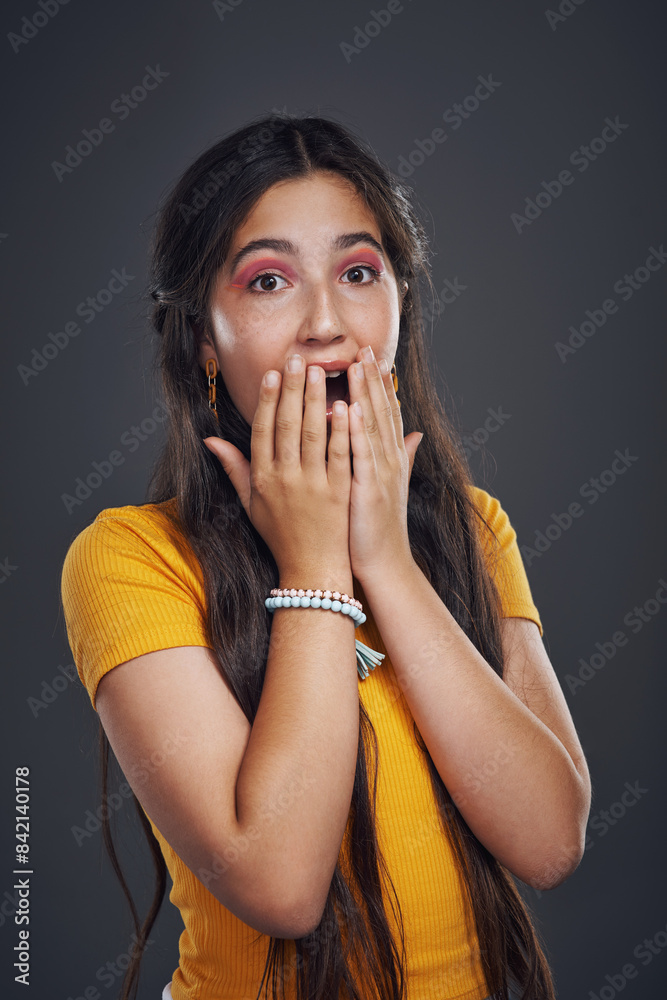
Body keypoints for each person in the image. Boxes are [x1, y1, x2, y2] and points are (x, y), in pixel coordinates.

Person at [60, 112, 591, 1000]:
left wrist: (384, 560)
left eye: (357, 273)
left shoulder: (474, 527)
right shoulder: (129, 559)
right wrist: (314, 570)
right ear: (201, 340)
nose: (325, 324)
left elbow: (549, 841)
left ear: (398, 306)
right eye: (268, 281)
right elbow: (279, 884)